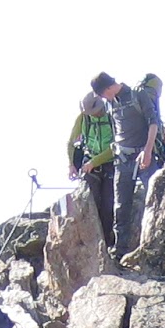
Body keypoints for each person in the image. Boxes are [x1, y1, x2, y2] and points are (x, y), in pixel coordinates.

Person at [90, 72, 158, 257]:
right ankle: (120, 251)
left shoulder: (138, 95)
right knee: (121, 205)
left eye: (102, 94)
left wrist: (148, 151)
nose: (102, 99)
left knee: (153, 201)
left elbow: (153, 123)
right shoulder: (110, 102)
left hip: (144, 156)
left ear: (109, 87)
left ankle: (154, 248)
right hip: (122, 160)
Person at [67, 91, 116, 249]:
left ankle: (107, 244)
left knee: (108, 206)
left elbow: (116, 147)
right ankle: (92, 243)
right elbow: (70, 143)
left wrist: (94, 162)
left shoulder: (112, 116)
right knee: (91, 203)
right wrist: (71, 165)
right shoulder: (83, 119)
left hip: (110, 163)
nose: (94, 115)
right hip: (90, 163)